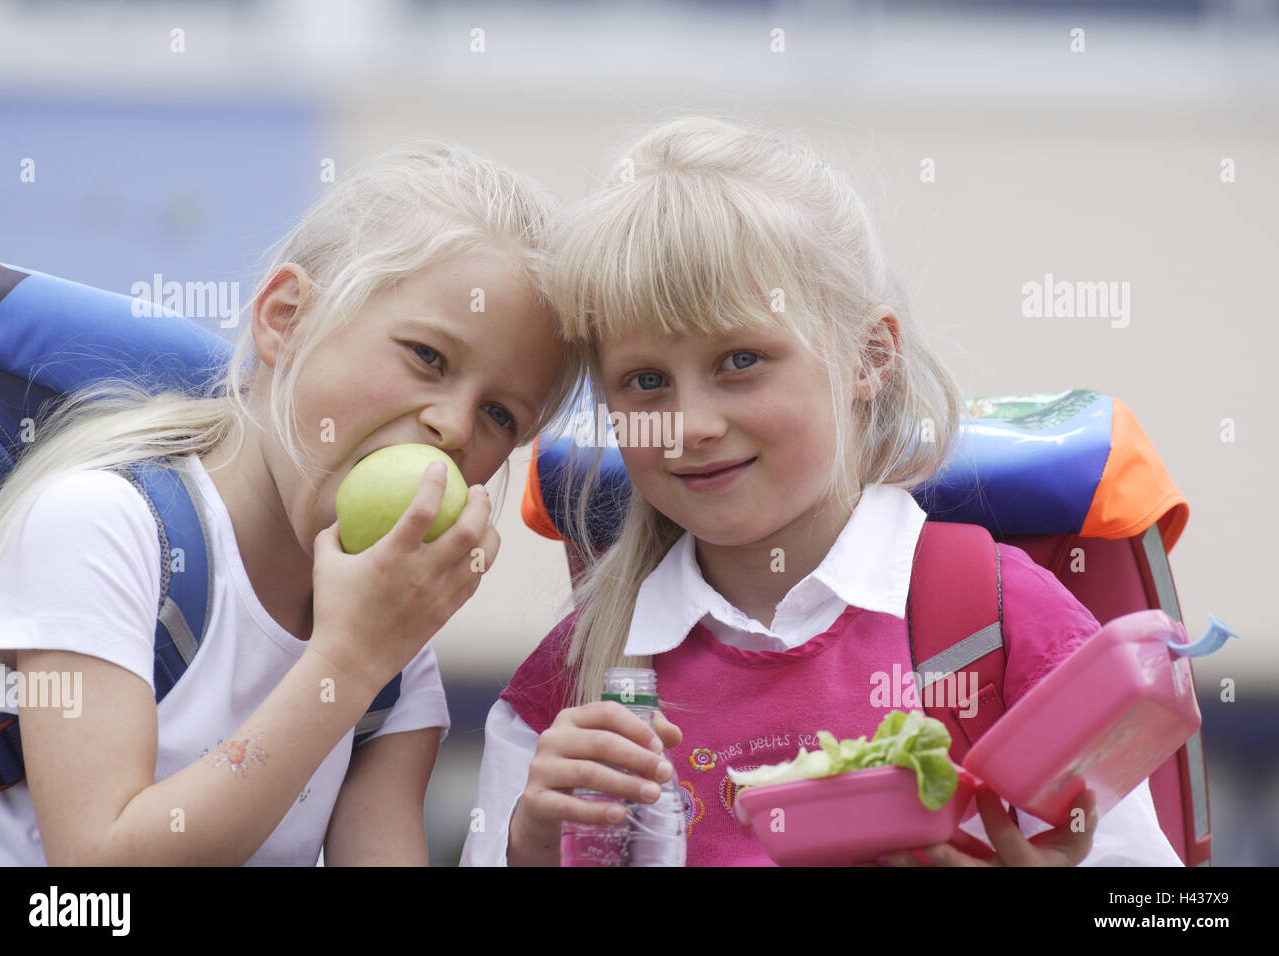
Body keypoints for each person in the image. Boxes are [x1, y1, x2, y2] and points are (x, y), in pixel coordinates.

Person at [461, 116, 1183, 867]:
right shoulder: (570, 686)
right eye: (645, 381)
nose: (691, 425)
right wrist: (532, 849)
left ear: (870, 358)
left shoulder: (1004, 624)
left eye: (740, 360)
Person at [0, 141, 580, 865]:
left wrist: (536, 848)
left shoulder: (394, 648)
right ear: (286, 317)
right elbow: (102, 874)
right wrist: (346, 663)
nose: (453, 426)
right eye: (428, 357)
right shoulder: (103, 526)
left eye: (500, 416)